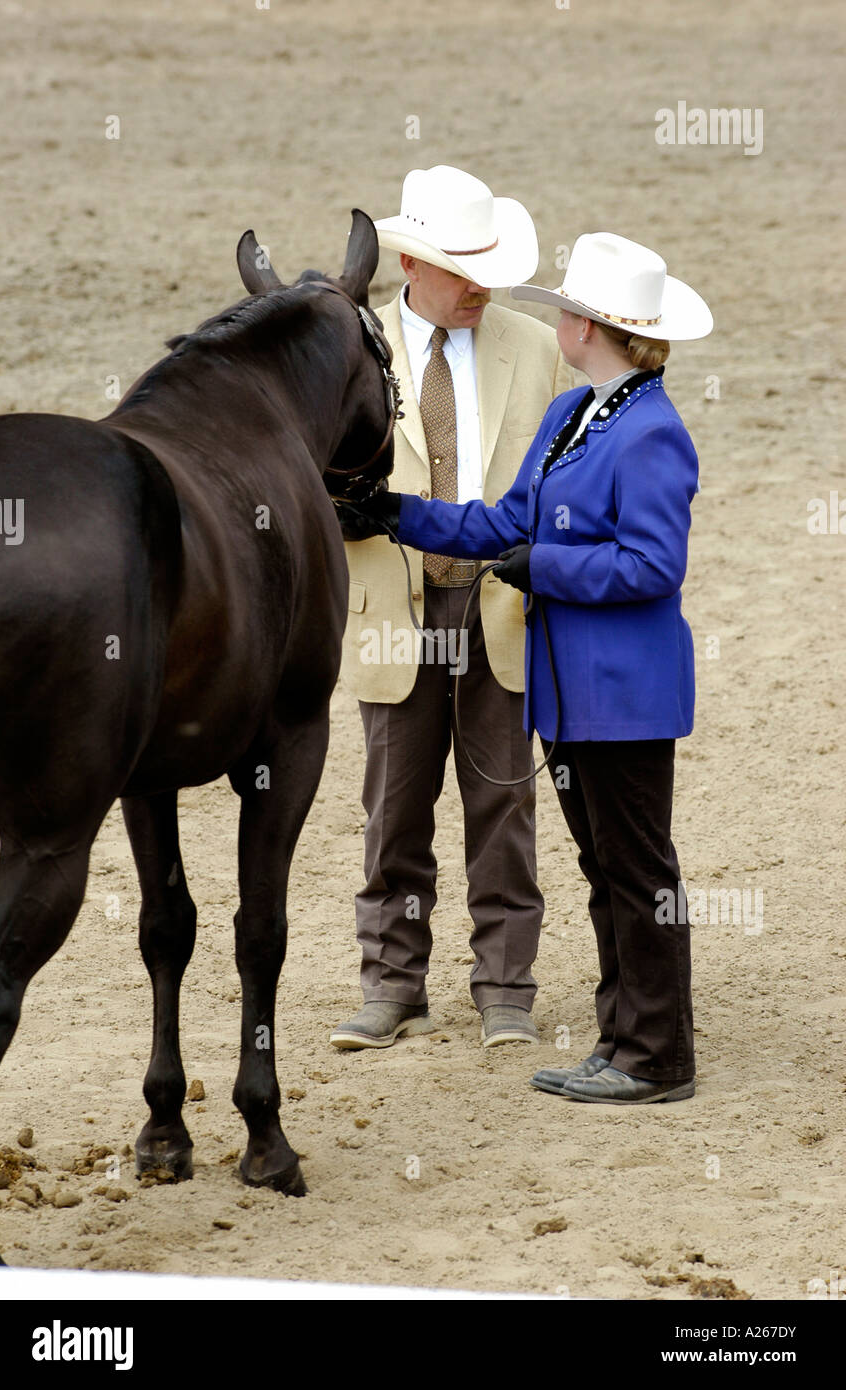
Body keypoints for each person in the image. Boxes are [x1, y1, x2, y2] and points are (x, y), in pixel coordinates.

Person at [339, 231, 712, 1103]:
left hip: (623, 693)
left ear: (591, 328)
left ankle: (657, 1056)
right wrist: (396, 511)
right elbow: (503, 519)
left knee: (638, 867)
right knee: (606, 867)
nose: (557, 322)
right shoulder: (574, 415)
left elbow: (654, 566)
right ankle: (623, 1042)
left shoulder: (652, 433)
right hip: (576, 693)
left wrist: (543, 568)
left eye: (569, 312)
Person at [331, 166, 573, 1051]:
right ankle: (392, 984)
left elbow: (567, 474)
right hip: (393, 604)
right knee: (394, 806)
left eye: (488, 270)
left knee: (503, 801)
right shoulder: (356, 350)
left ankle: (505, 987)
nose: (481, 286)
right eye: (462, 268)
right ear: (410, 262)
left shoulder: (537, 349)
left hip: (498, 600)